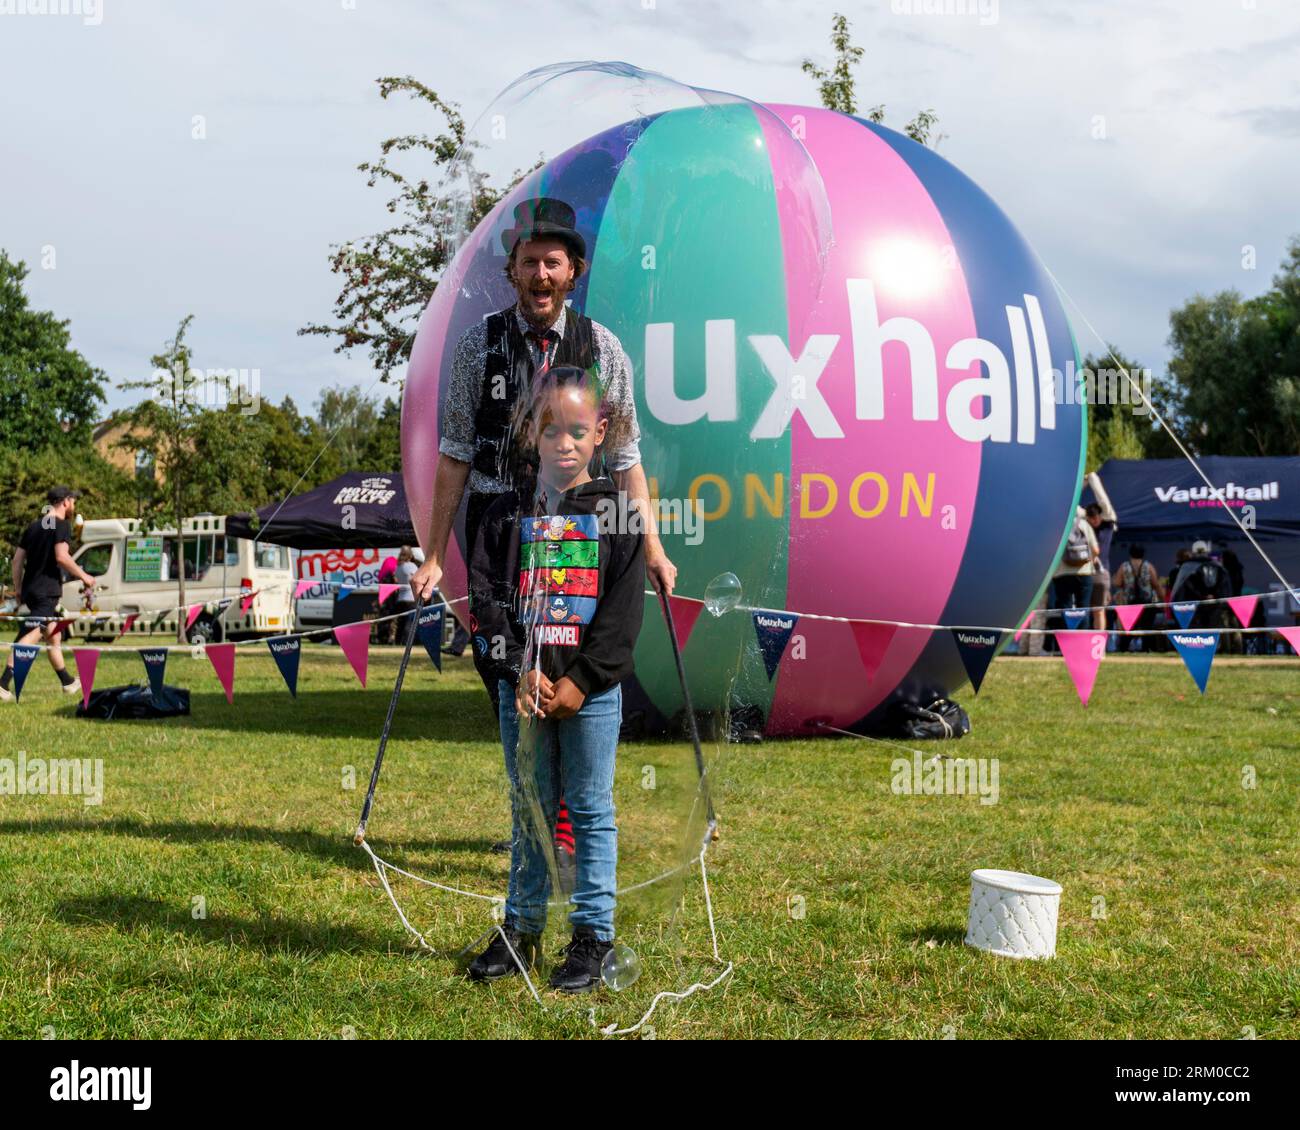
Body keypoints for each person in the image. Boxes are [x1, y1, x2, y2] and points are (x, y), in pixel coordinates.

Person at [409, 196, 675, 701]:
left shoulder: (603, 349)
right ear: (512, 270)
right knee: (512, 683)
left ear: (572, 271)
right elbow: (455, 456)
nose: (541, 274)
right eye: (529, 261)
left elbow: (623, 459)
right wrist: (434, 556)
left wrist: (654, 549)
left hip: (577, 534)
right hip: (499, 539)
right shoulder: (476, 347)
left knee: (572, 681)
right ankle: (523, 780)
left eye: (553, 262)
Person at [464, 364, 645, 992]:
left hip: (590, 696)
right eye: (549, 430)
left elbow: (624, 614)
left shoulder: (620, 515)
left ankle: (593, 937)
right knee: (530, 808)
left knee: (590, 810)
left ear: (599, 432)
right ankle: (522, 929)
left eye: (576, 430)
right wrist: (517, 670)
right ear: (531, 434)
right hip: (525, 693)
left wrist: (582, 681)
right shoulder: (506, 514)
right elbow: (486, 599)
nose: (562, 443)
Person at [1, 487, 96, 702]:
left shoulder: (34, 527)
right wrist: (84, 576)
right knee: (34, 632)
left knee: (53, 636)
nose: (74, 505)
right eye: (74, 501)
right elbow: (62, 557)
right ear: (65, 502)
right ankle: (3, 682)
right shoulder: (61, 525)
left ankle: (67, 682)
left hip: (32, 590)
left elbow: (17, 561)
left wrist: (18, 589)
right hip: (47, 591)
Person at [1111, 543, 1165, 652]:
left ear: (1130, 553)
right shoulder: (1148, 566)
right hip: (1147, 602)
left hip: (1129, 602)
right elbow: (1155, 583)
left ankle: (1123, 649)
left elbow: (1117, 583)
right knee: (1147, 627)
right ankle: (1146, 649)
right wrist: (1162, 598)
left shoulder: (1124, 566)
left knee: (1128, 627)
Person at [1170, 539, 1231, 630]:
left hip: (1193, 609)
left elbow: (1182, 589)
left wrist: (1201, 597)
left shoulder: (1187, 567)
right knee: (1213, 635)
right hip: (1214, 608)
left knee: (1196, 637)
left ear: (1193, 552)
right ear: (1207, 551)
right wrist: (1214, 596)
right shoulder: (1218, 566)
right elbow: (1224, 588)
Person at [1052, 505, 1099, 618]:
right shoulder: (1084, 525)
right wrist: (1090, 559)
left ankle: (1065, 635)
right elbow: (1096, 550)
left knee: (1065, 608)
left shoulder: (1056, 525)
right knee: (1083, 608)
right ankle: (1082, 635)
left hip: (1061, 573)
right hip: (1084, 572)